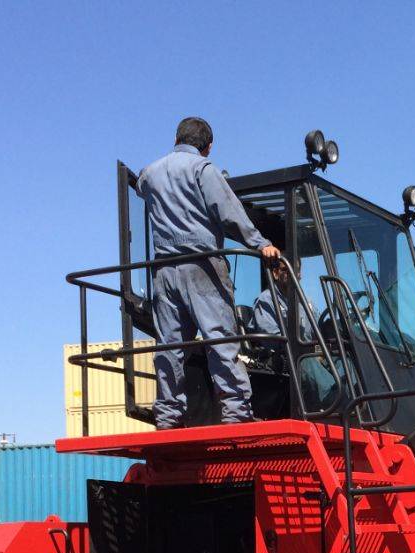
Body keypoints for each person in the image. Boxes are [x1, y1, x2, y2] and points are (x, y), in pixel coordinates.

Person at [136, 117, 278, 428]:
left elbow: (140, 187)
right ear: (208, 146)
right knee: (220, 339)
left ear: (177, 139)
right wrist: (260, 244)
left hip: (164, 271)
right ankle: (236, 412)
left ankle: (168, 414)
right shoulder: (204, 170)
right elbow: (229, 215)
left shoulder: (151, 173)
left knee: (170, 346)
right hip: (202, 265)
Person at [246, 254, 339, 412]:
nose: (291, 273)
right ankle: (334, 401)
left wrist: (322, 350)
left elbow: (318, 334)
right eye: (285, 269)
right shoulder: (266, 301)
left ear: (300, 274)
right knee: (304, 359)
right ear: (275, 273)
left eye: (295, 269)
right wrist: (308, 351)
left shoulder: (305, 302)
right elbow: (273, 339)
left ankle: (350, 394)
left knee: (342, 355)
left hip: (308, 352)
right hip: (282, 357)